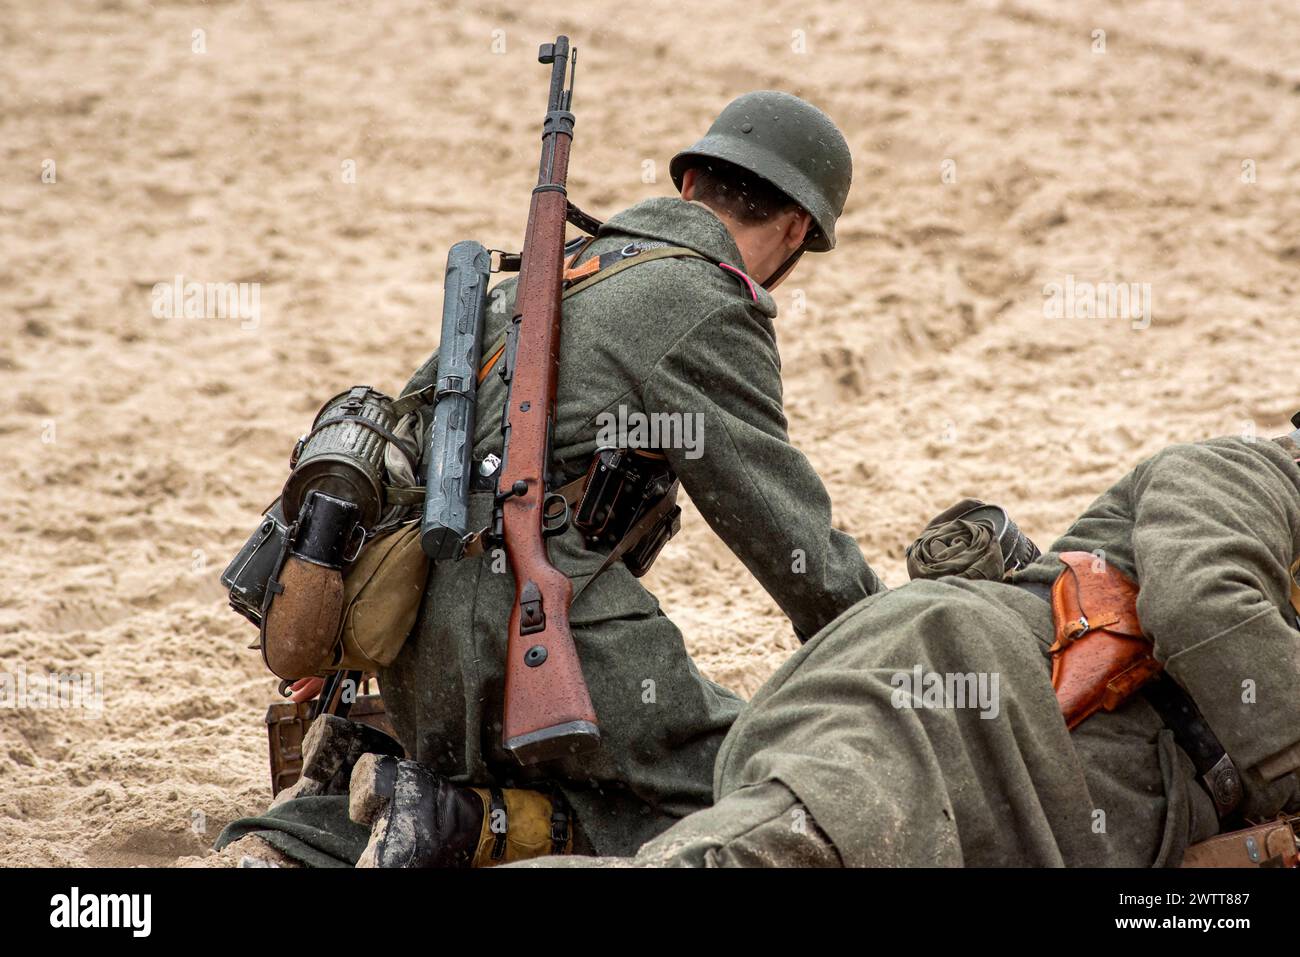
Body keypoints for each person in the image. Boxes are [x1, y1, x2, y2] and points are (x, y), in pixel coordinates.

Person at [219, 90, 885, 867]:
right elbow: (787, 537)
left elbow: (406, 443)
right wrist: (892, 644)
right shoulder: (705, 302)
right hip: (535, 648)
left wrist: (349, 648)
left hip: (408, 654)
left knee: (599, 773)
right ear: (800, 228)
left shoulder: (539, 279)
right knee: (765, 790)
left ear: (690, 184)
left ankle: (364, 807)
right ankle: (464, 823)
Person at [543, 427, 1300, 867]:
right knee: (767, 855)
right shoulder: (1247, 471)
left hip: (1060, 798)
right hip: (944, 696)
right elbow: (1202, 604)